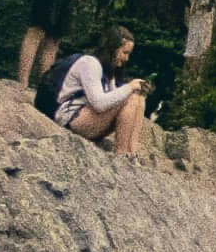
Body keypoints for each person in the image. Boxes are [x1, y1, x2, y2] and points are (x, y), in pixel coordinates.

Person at [51, 24, 149, 156]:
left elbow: (115, 101)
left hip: (90, 122)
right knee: (131, 95)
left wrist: (135, 90)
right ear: (112, 48)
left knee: (138, 96)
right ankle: (122, 153)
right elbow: (99, 104)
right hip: (72, 119)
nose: (127, 58)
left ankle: (130, 154)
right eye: (124, 53)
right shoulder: (89, 63)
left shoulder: (109, 70)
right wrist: (129, 87)